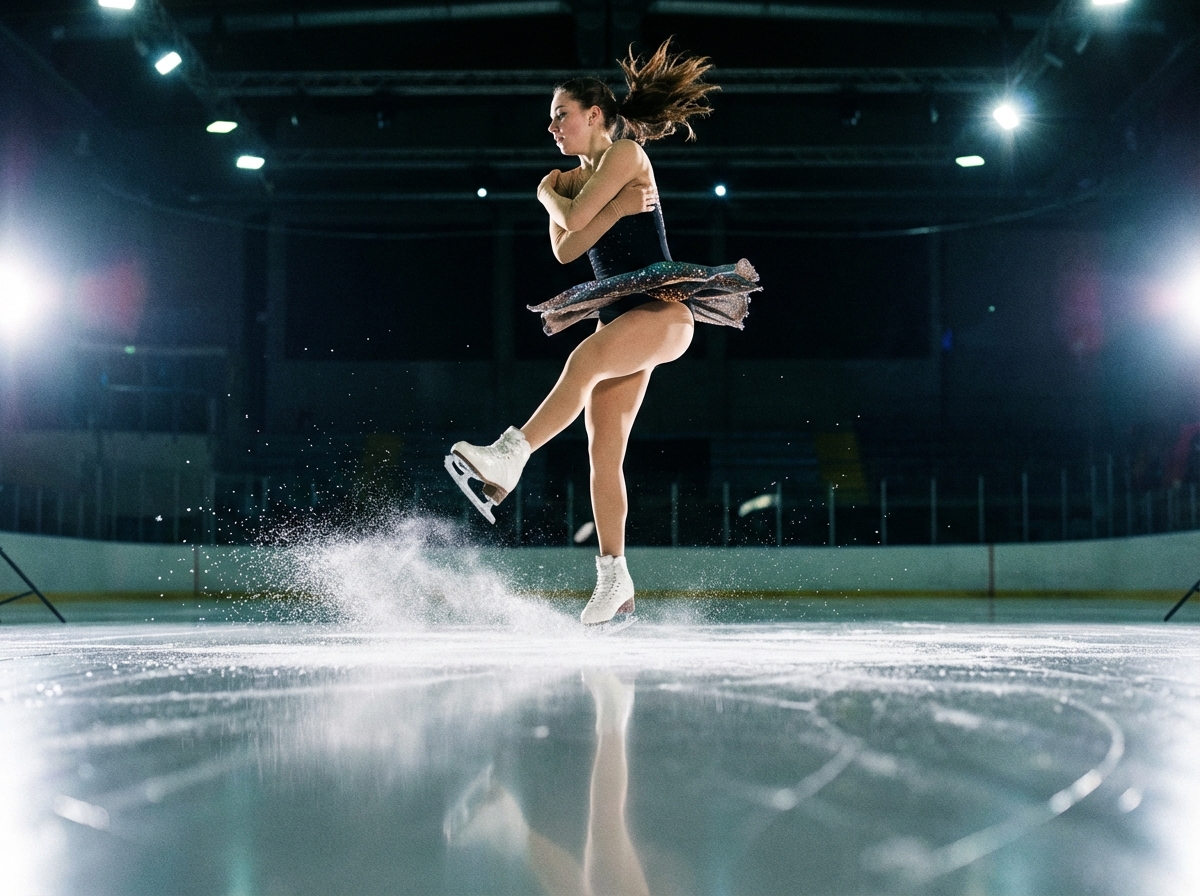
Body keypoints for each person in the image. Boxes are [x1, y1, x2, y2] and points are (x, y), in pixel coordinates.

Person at [446, 39, 759, 625]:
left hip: (664, 312)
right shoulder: (565, 182)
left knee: (583, 362)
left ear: (594, 115)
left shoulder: (625, 153)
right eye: (550, 118)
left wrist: (554, 196)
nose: (552, 127)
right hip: (620, 317)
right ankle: (615, 577)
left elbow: (571, 223)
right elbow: (567, 250)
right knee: (603, 450)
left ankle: (511, 455)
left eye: (561, 114)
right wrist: (576, 201)